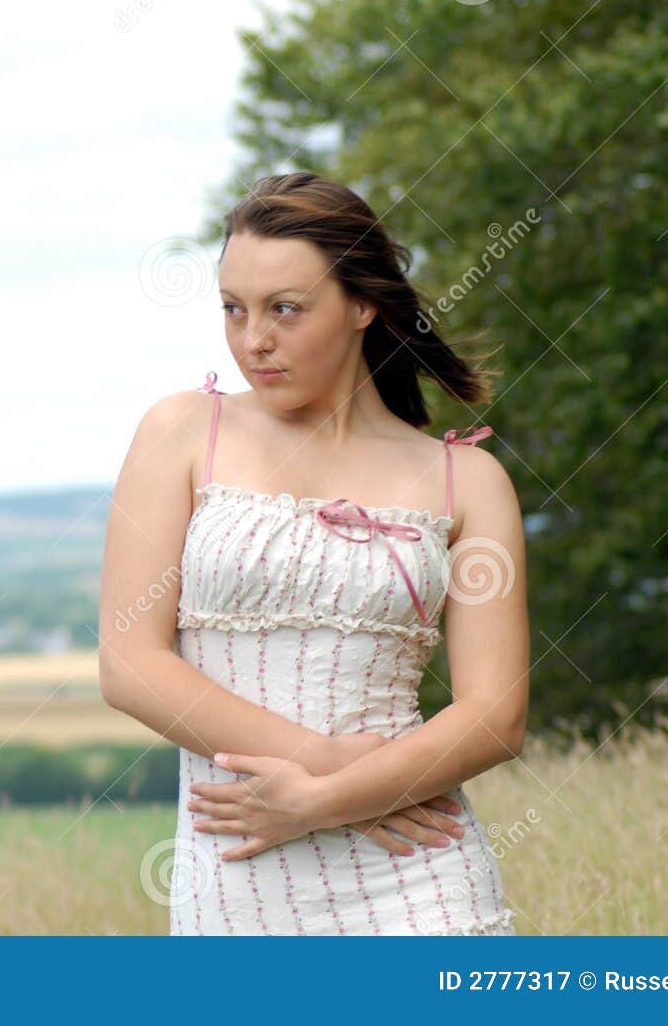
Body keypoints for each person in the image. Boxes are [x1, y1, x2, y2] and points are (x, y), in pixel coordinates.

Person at [98, 171, 529, 934]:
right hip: (239, 879)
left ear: (363, 304)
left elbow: (495, 716)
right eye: (233, 309)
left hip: (422, 878)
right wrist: (326, 760)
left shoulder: (468, 479)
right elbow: (130, 665)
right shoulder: (182, 432)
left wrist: (329, 800)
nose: (252, 339)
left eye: (285, 309)